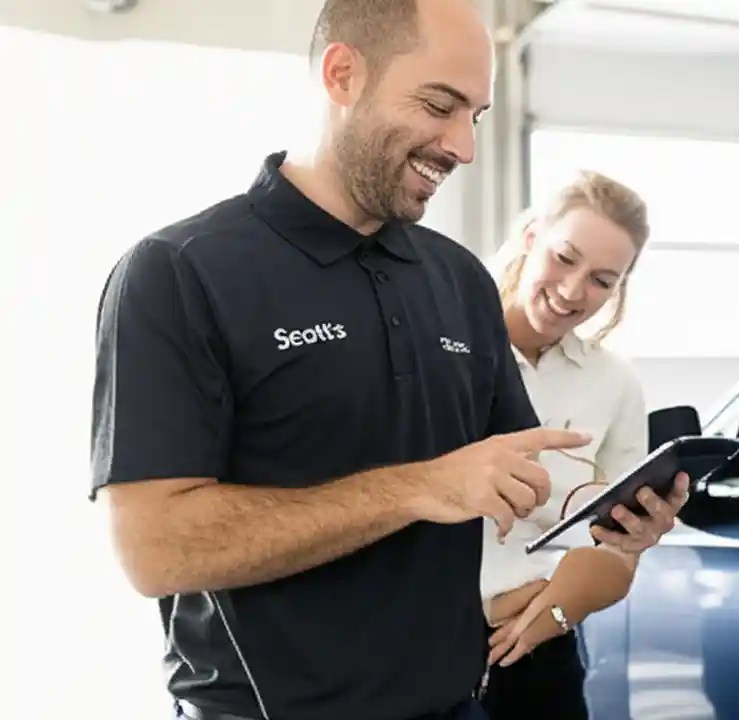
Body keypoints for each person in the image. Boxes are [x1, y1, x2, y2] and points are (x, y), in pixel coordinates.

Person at [88, 2, 688, 719]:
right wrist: (416, 488)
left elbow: (514, 488)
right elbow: (155, 550)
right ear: (343, 74)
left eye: (477, 115)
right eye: (441, 105)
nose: (463, 147)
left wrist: (610, 521)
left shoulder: (459, 280)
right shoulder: (180, 273)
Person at [474, 171, 659, 719]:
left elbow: (619, 552)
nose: (575, 291)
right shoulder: (444, 349)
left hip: (541, 649)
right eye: (564, 257)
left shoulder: (613, 382)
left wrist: (553, 615)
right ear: (531, 238)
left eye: (603, 280)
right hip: (421, 644)